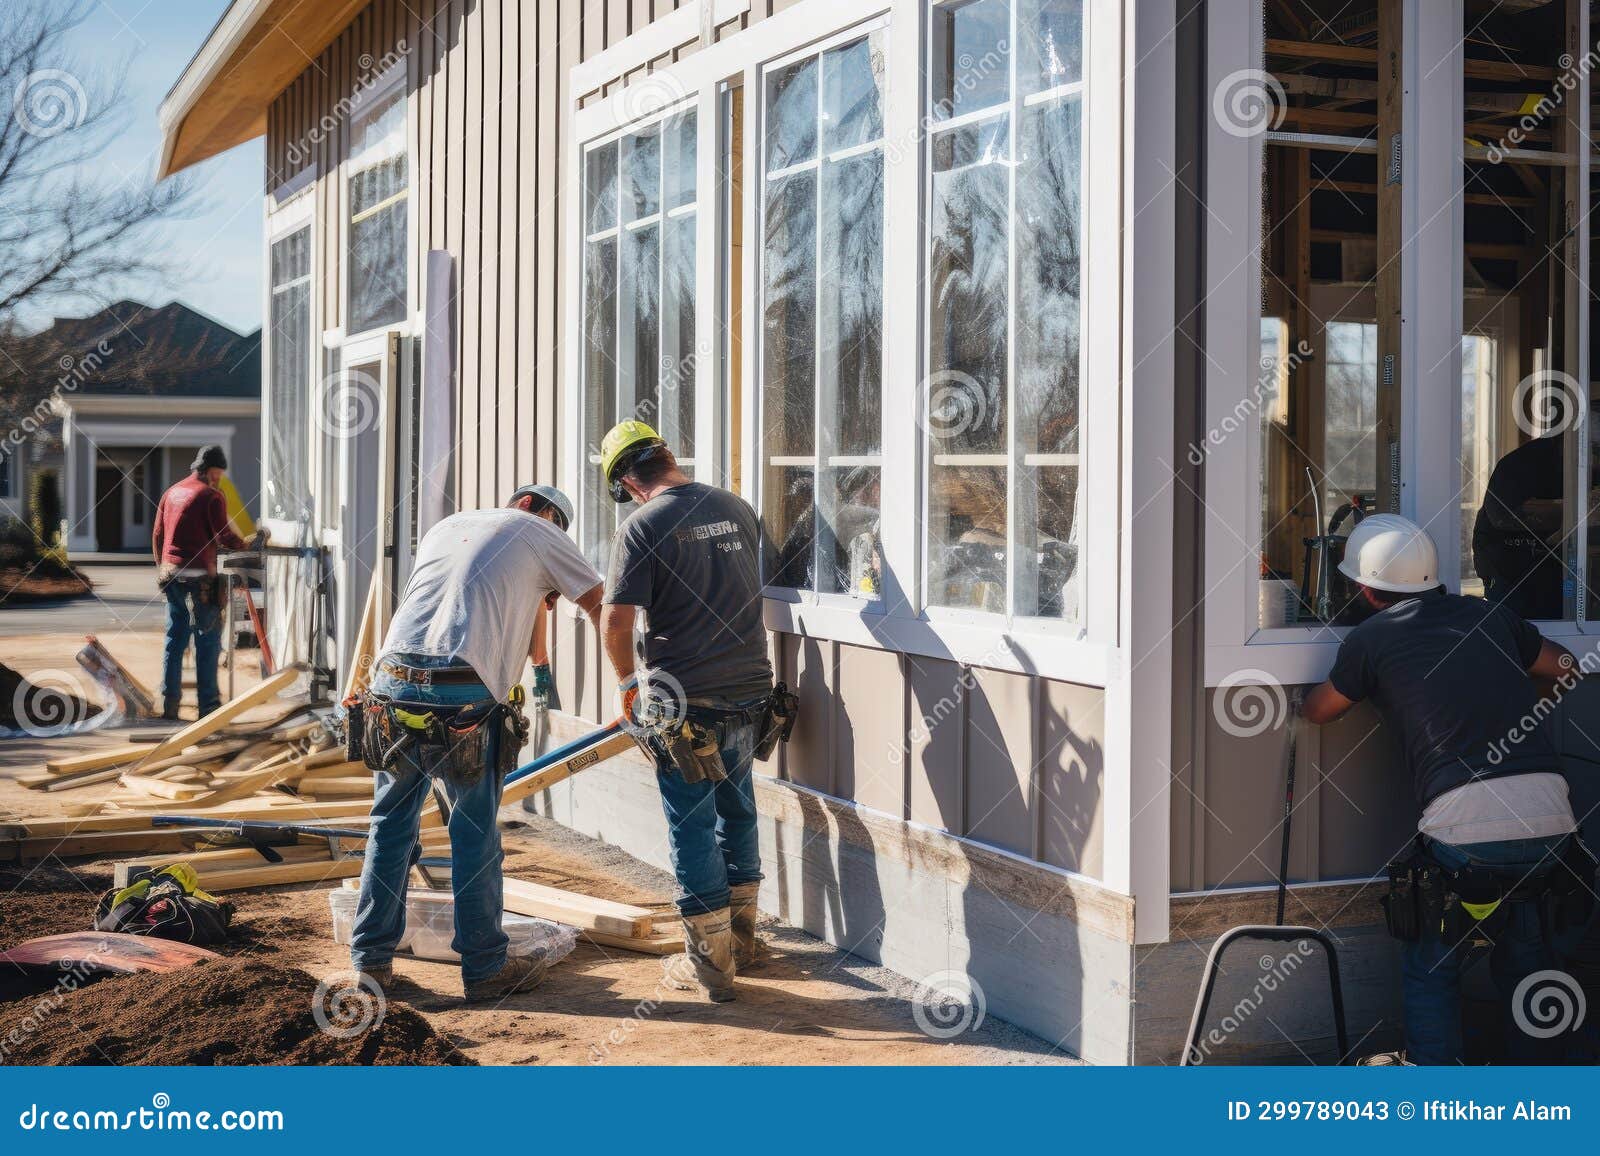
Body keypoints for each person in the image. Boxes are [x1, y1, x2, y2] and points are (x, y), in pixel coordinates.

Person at [1302, 514, 1588, 1064]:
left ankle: (1437, 1088)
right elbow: (1567, 664)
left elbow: (1320, 711)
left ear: (1363, 587)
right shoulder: (1489, 616)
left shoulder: (1372, 638)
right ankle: (1543, 1093)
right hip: (1552, 814)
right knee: (1528, 958)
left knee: (1432, 961)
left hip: (1465, 824)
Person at [349, 484, 603, 1002]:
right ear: (543, 512)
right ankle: (485, 968)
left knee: (391, 827)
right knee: (473, 833)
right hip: (461, 695)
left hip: (390, 684)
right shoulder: (541, 532)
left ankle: (371, 964)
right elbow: (603, 604)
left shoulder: (452, 526)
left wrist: (539, 650)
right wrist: (632, 681)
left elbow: (477, 596)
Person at [597, 420, 776, 1003]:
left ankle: (713, 970)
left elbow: (617, 620)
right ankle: (746, 943)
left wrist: (628, 683)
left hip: (687, 701)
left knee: (692, 824)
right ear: (668, 455)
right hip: (751, 689)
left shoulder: (642, 526)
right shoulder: (737, 506)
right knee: (738, 809)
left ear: (625, 480)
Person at [151, 445, 257, 720]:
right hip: (200, 581)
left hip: (170, 575)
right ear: (211, 471)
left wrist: (162, 567)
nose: (220, 479)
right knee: (207, 642)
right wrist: (246, 544)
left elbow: (158, 535)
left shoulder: (171, 492)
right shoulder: (211, 495)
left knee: (175, 639)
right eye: (219, 473)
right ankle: (208, 708)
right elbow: (223, 535)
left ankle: (169, 704)